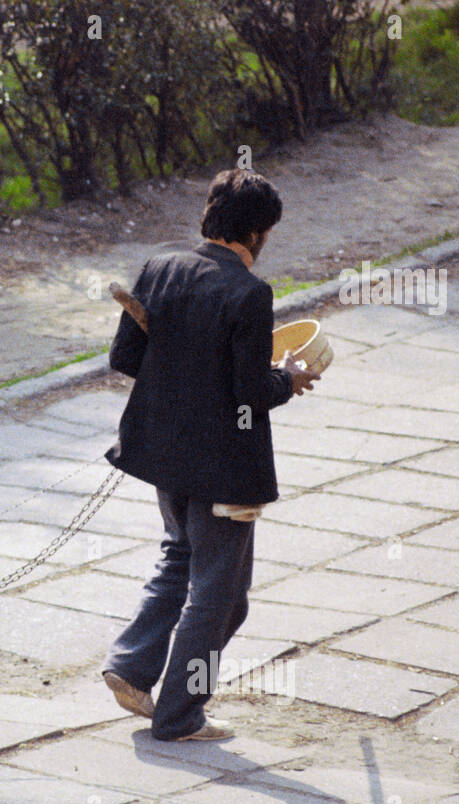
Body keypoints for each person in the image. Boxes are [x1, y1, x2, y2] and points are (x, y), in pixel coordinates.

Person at [101, 168, 319, 741]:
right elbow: (250, 392)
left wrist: (180, 360)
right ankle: (178, 715)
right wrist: (290, 378)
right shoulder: (249, 293)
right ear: (257, 234)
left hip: (163, 452)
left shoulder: (159, 268)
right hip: (223, 467)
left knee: (179, 560)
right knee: (221, 596)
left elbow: (126, 358)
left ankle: (130, 667)